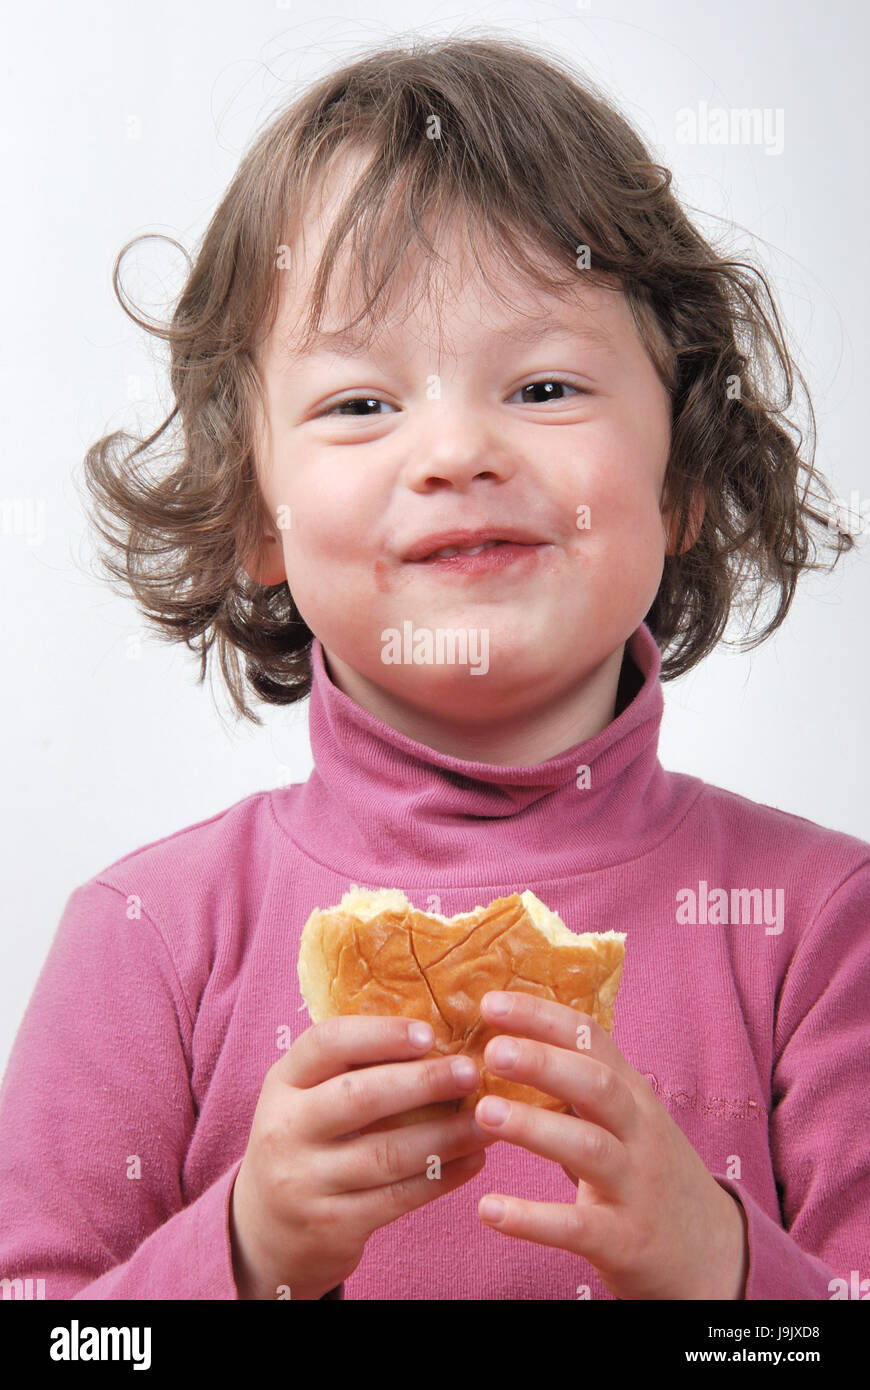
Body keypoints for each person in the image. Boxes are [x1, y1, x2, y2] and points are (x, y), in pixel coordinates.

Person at [1, 34, 867, 1302]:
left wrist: (728, 1277)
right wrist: (238, 1256)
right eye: (360, 403)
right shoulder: (149, 942)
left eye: (547, 382)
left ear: (681, 475)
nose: (456, 448)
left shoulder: (823, 928)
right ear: (257, 515)